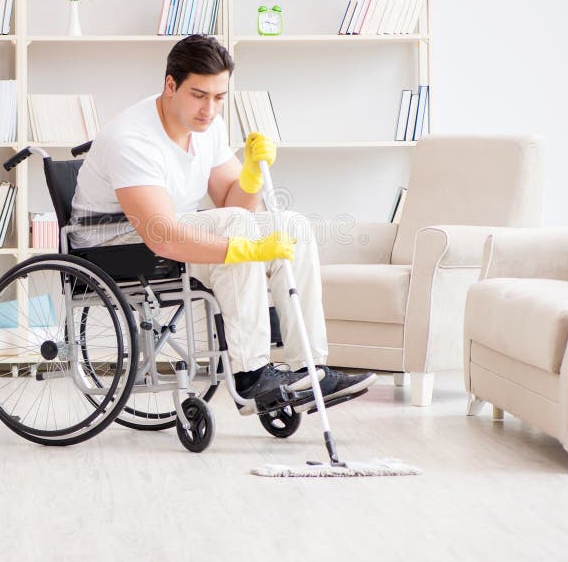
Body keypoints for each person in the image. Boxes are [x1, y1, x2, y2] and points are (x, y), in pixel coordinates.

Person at [70, 34, 375, 413]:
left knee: (291, 225)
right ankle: (251, 375)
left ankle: (310, 369)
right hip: (114, 245)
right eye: (199, 95)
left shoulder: (206, 126)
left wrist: (250, 175)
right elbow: (162, 236)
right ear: (170, 85)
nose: (210, 109)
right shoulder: (132, 139)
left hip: (173, 229)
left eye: (219, 97)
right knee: (234, 227)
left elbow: (236, 204)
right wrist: (244, 248)